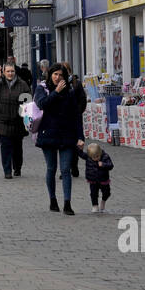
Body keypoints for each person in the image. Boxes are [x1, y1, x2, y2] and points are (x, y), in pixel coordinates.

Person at [36, 63, 83, 215]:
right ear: (50, 75)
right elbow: (42, 104)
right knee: (51, 168)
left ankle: (67, 203)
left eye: (60, 75)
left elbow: (76, 115)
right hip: (48, 133)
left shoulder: (69, 92)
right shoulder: (42, 88)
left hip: (67, 134)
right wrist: (55, 92)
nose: (57, 78)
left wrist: (80, 137)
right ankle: (52, 199)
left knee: (65, 169)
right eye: (55, 74)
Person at [0, 63, 30, 178]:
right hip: (2, 120)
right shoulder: (0, 83)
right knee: (5, 146)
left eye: (12, 71)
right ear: (4, 72)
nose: (10, 73)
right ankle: (7, 171)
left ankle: (17, 167)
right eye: (8, 71)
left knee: (17, 147)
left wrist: (26, 118)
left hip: (18, 121)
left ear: (15, 72)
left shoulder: (22, 84)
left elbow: (28, 102)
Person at [76, 139, 114, 213]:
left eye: (97, 157)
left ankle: (103, 201)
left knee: (107, 193)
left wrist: (103, 164)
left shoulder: (105, 156)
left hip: (103, 179)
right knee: (93, 193)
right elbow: (81, 154)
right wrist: (79, 149)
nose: (95, 159)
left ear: (100, 153)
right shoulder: (88, 156)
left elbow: (111, 166)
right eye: (93, 157)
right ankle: (95, 205)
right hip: (92, 179)